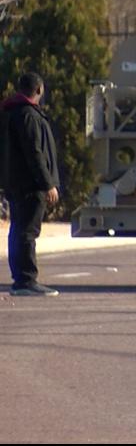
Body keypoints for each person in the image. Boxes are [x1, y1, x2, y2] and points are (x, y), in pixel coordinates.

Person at [2, 72, 62, 297]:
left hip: (16, 182)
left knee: (19, 230)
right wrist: (48, 184)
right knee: (27, 231)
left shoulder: (11, 112)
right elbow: (34, 153)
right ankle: (26, 280)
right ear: (38, 90)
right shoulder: (28, 115)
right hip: (30, 184)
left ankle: (21, 279)